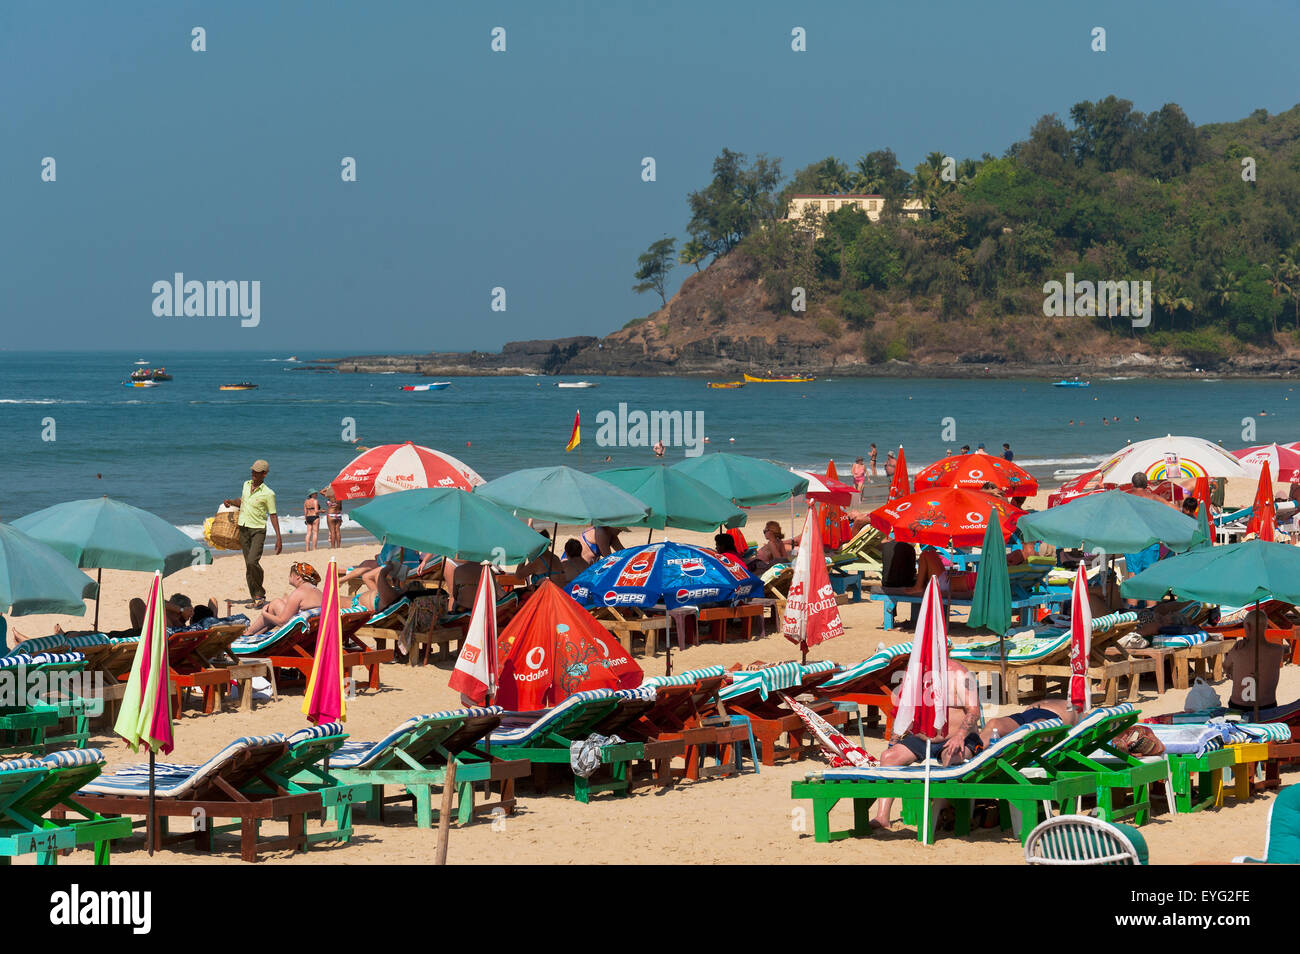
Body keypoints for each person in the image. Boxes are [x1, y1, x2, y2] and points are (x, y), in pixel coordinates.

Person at [872, 656, 983, 829]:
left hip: (958, 736)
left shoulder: (959, 674)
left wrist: (960, 735)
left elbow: (974, 711)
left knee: (951, 756)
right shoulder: (916, 676)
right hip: (923, 739)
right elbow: (904, 711)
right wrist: (894, 740)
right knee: (888, 757)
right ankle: (882, 816)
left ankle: (944, 811)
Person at [222, 459, 282, 607]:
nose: (253, 474)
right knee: (248, 565)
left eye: (257, 472)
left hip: (258, 530)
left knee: (252, 561)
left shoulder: (269, 493)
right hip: (243, 528)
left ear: (265, 474)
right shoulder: (246, 485)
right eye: (253, 471)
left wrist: (279, 538)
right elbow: (242, 501)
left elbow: (273, 515)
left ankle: (259, 592)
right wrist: (231, 501)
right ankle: (256, 597)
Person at [1224, 608, 1287, 713]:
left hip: (1238, 707)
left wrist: (1231, 673)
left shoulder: (1237, 651)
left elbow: (1226, 667)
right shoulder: (1278, 650)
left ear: (1247, 626)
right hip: (1267, 707)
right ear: (1265, 626)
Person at [242, 563, 323, 637]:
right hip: (313, 630)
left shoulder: (298, 593)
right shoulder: (317, 591)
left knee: (275, 603)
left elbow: (282, 622)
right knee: (281, 603)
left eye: (290, 575)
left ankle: (249, 632)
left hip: (300, 632)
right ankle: (254, 633)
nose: (289, 577)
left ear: (298, 577)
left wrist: (264, 613)